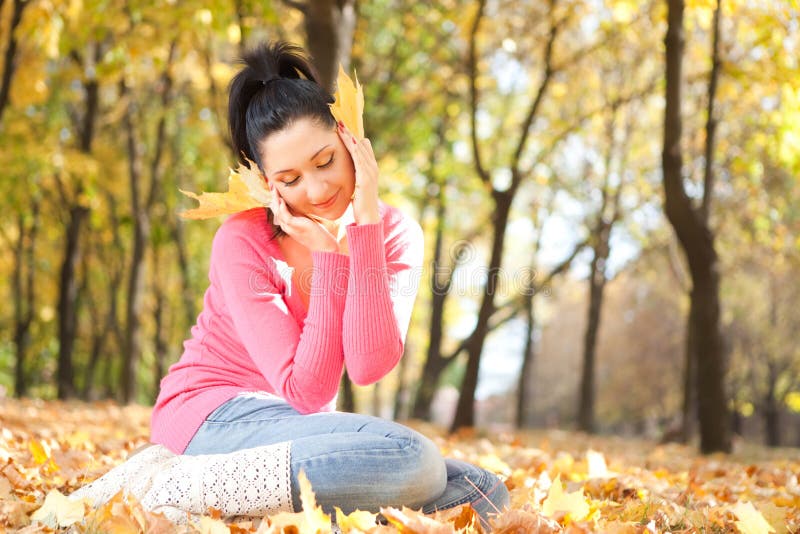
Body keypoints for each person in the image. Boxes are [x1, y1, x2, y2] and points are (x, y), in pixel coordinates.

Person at [69, 40, 509, 529]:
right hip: (211, 416)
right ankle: (165, 485)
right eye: (291, 179)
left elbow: (368, 365)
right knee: (414, 460)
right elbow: (307, 390)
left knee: (481, 491)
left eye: (325, 162)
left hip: (296, 427)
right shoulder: (243, 239)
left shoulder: (396, 234)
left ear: (350, 141)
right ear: (267, 182)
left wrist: (364, 228)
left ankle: (279, 514)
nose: (317, 191)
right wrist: (327, 259)